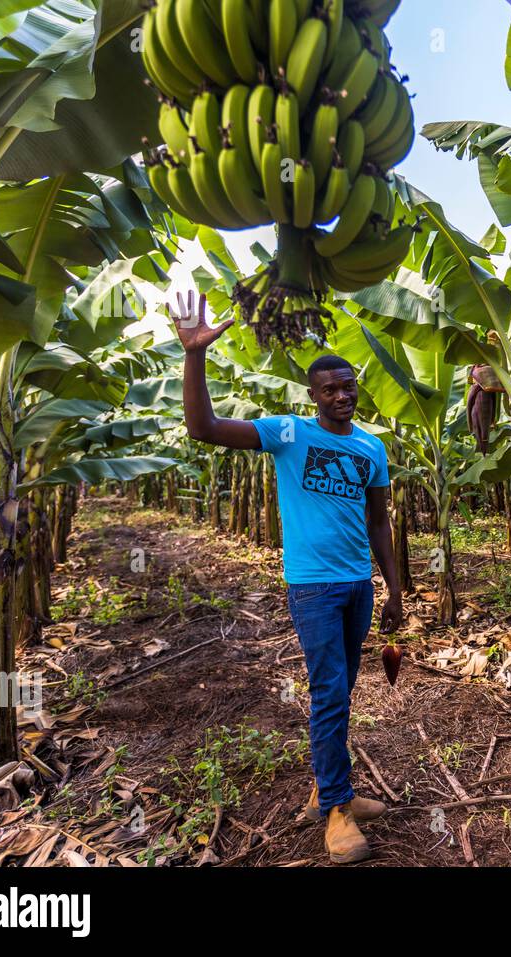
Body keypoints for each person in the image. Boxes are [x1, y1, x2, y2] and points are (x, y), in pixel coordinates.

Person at [169, 291, 403, 864]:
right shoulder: (289, 433)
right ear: (313, 395)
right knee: (329, 693)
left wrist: (395, 589)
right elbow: (203, 427)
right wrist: (195, 354)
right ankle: (337, 810)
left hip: (358, 585)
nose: (342, 396)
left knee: (342, 691)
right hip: (313, 586)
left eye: (348, 386)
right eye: (330, 389)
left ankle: (328, 788)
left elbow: (379, 522)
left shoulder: (372, 447)